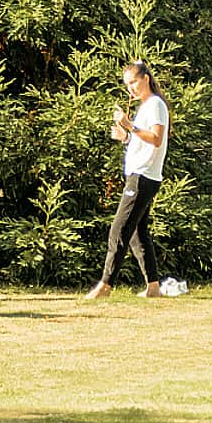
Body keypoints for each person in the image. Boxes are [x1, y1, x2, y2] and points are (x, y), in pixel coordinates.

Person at [84, 60, 170, 300]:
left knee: (119, 230)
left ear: (145, 78)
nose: (130, 88)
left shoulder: (155, 105)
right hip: (139, 174)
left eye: (133, 82)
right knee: (137, 232)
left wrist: (129, 125)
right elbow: (143, 141)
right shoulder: (146, 106)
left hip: (143, 177)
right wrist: (125, 137)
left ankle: (105, 285)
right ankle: (153, 287)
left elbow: (156, 139)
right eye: (127, 85)